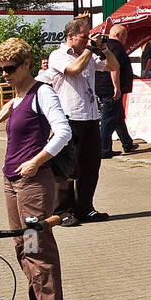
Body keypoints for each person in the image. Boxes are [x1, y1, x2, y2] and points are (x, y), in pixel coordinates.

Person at [0, 37, 70, 300]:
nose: (4, 74)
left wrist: (36, 160)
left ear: (26, 64)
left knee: (37, 245)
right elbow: (11, 112)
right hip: (11, 180)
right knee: (22, 244)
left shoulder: (41, 93)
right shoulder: (18, 97)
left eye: (9, 68)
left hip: (33, 182)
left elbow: (63, 132)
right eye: (0, 70)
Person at [44, 18, 108, 224]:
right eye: (84, 36)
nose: (87, 40)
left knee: (90, 166)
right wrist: (90, 50)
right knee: (67, 167)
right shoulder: (58, 55)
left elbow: (112, 65)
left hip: (90, 116)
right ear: (70, 37)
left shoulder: (86, 54)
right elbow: (73, 70)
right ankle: (62, 212)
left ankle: (85, 208)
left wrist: (104, 48)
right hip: (69, 116)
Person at [100, 24, 138, 157]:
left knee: (118, 117)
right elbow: (114, 68)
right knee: (109, 118)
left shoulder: (105, 46)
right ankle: (103, 149)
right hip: (110, 89)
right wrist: (117, 87)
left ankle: (127, 143)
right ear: (118, 35)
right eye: (125, 35)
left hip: (105, 87)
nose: (126, 39)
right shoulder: (115, 47)